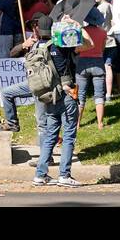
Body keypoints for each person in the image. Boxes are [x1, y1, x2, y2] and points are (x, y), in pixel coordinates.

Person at [29, 15, 81, 188]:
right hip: (66, 95)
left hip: (49, 96)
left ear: (37, 29)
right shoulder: (61, 44)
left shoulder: (36, 47)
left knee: (50, 135)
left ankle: (40, 174)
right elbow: (88, 45)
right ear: (52, 29)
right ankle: (64, 175)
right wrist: (74, 25)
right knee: (68, 136)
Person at [75, 8, 107, 130]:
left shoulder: (82, 31)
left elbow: (78, 47)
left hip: (82, 62)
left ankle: (77, 124)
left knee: (80, 94)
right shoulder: (103, 32)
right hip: (98, 62)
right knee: (99, 94)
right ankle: (100, 123)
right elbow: (102, 49)